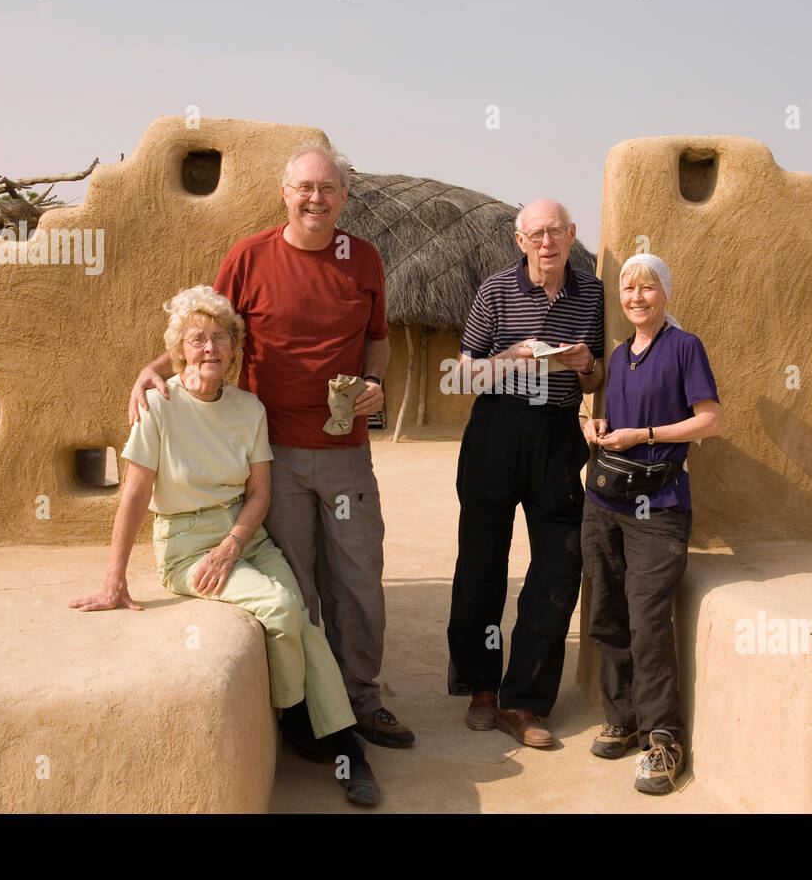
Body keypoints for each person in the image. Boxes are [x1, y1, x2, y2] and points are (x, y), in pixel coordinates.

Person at [128, 144, 413, 750]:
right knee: (300, 580)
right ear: (285, 194)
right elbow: (208, 329)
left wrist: (375, 383)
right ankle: (310, 706)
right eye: (305, 188)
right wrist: (152, 368)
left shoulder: (362, 259)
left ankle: (362, 699)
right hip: (272, 455)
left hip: (345, 450)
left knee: (359, 575)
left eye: (329, 189)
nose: (316, 199)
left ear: (343, 197)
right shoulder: (249, 257)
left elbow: (378, 340)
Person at [72, 286, 381, 805]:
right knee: (283, 606)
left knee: (300, 615)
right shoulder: (159, 404)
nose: (209, 348)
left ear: (234, 348)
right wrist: (114, 579)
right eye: (197, 340)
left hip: (244, 535)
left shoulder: (248, 408)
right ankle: (306, 719)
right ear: (177, 350)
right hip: (188, 547)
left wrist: (235, 544)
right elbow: (135, 492)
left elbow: (260, 493)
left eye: (220, 338)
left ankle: (342, 744)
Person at [447, 199, 605, 747]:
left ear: (571, 235)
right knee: (482, 564)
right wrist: (510, 357)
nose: (546, 242)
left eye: (556, 231)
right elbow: (462, 375)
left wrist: (586, 364)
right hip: (495, 430)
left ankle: (525, 701)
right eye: (536, 233)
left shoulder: (594, 293)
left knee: (559, 568)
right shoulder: (495, 290)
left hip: (557, 436)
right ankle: (482, 688)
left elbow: (595, 377)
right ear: (520, 240)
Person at [581, 253, 720, 795]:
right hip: (607, 503)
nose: (636, 297)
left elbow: (710, 419)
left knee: (648, 622)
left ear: (665, 293)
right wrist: (601, 426)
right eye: (627, 289)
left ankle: (664, 738)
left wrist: (646, 436)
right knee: (607, 615)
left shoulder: (685, 348)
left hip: (658, 509)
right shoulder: (619, 355)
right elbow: (615, 418)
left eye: (647, 288)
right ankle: (623, 716)